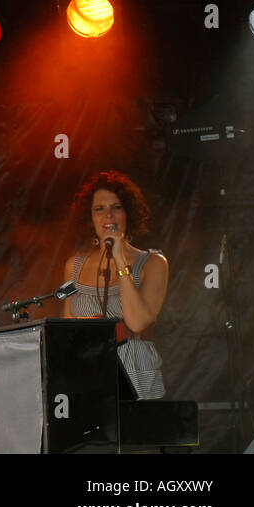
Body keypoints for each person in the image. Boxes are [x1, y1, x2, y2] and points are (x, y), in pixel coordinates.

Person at [61, 171, 168, 399]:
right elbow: (66, 332)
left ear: (128, 213)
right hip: (88, 376)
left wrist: (119, 257)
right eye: (99, 209)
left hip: (135, 375)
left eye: (116, 207)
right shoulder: (74, 266)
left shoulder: (153, 263)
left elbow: (137, 322)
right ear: (89, 217)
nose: (108, 214)